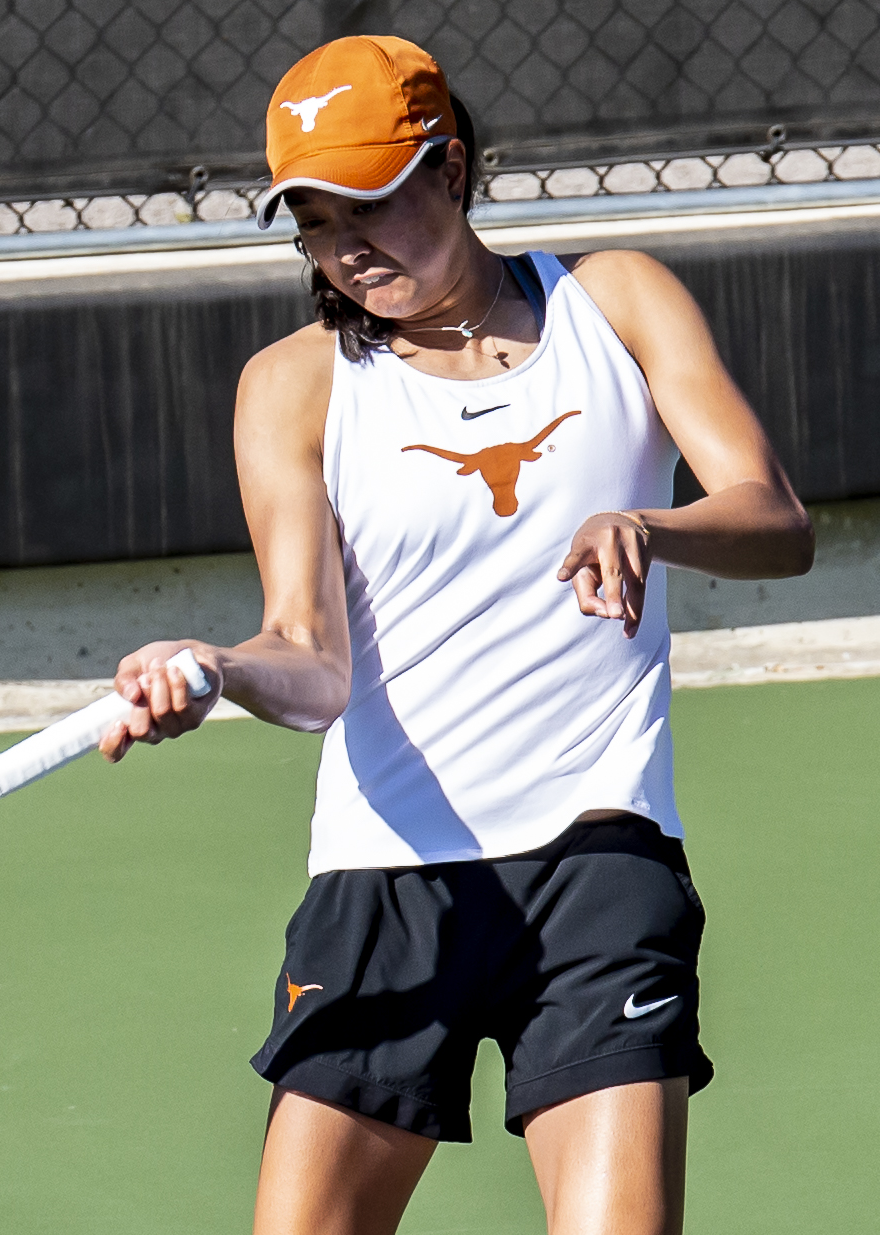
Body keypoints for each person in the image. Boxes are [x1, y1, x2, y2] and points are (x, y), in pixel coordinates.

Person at [97, 34, 813, 1235]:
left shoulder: (618, 302)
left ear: (452, 166)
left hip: (599, 862)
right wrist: (219, 669)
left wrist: (653, 523)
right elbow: (313, 661)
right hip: (385, 883)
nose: (349, 245)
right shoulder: (294, 384)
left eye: (373, 201)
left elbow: (776, 520)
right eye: (316, 220)